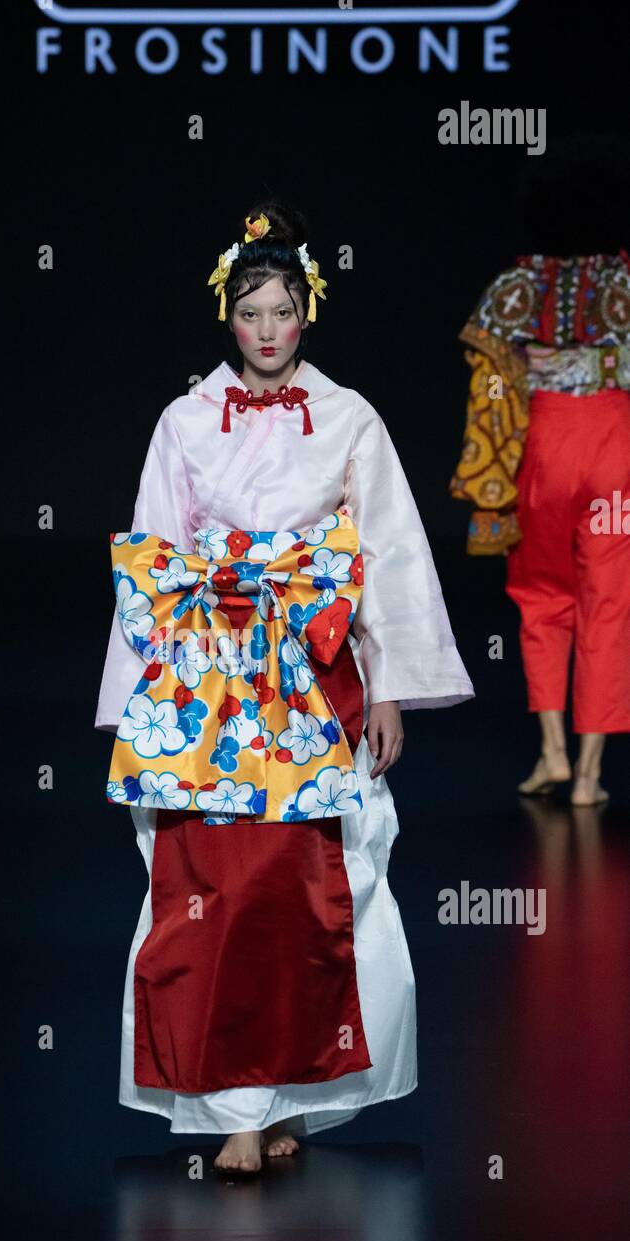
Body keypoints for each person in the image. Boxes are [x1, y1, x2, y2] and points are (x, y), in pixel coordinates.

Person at [96, 201, 474, 1174]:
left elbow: (385, 553)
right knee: (209, 887)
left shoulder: (348, 416)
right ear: (227, 316)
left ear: (308, 310)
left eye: (283, 309)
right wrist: (134, 700)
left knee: (319, 884)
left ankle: (283, 1097)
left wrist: (389, 686)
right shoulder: (183, 420)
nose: (267, 330)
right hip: (211, 687)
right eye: (250, 312)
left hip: (316, 680)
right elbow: (154, 554)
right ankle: (235, 1113)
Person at [450, 250, 630, 806]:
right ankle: (588, 775)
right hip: (615, 445)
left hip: (544, 448)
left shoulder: (521, 280)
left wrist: (508, 415)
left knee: (542, 598)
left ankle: (553, 750)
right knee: (609, 602)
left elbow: (493, 382)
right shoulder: (624, 276)